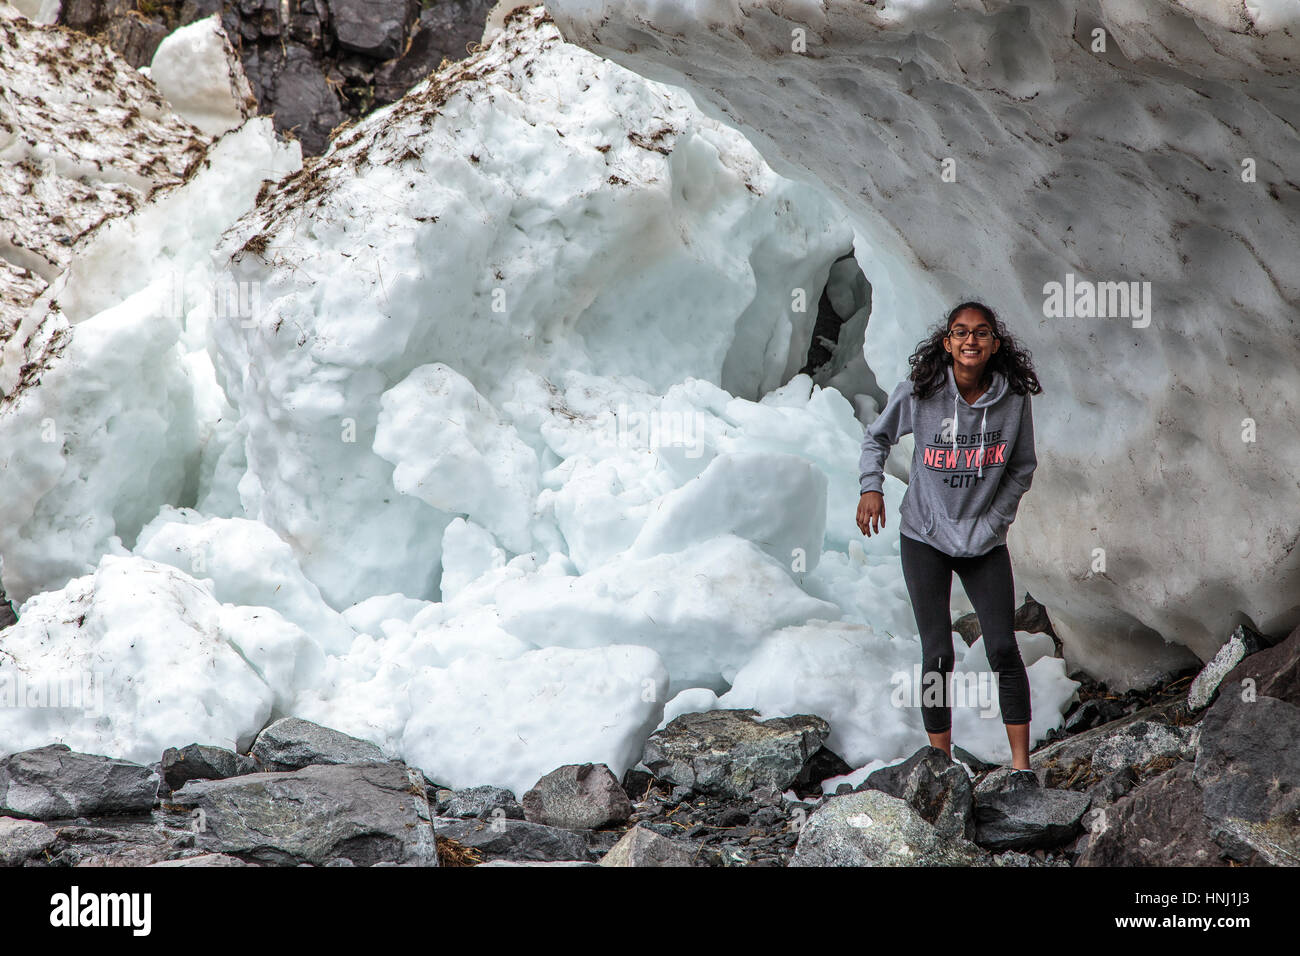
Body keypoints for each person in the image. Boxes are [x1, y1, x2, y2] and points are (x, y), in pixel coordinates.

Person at [856, 301, 1042, 772]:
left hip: (984, 540)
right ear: (947, 343)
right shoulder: (920, 393)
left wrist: (996, 520)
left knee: (1002, 646)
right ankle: (940, 768)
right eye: (960, 332)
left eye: (981, 333)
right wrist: (871, 488)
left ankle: (1021, 765)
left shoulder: (1013, 399)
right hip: (925, 536)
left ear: (994, 345)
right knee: (938, 653)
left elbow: (1022, 466)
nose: (970, 340)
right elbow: (877, 438)